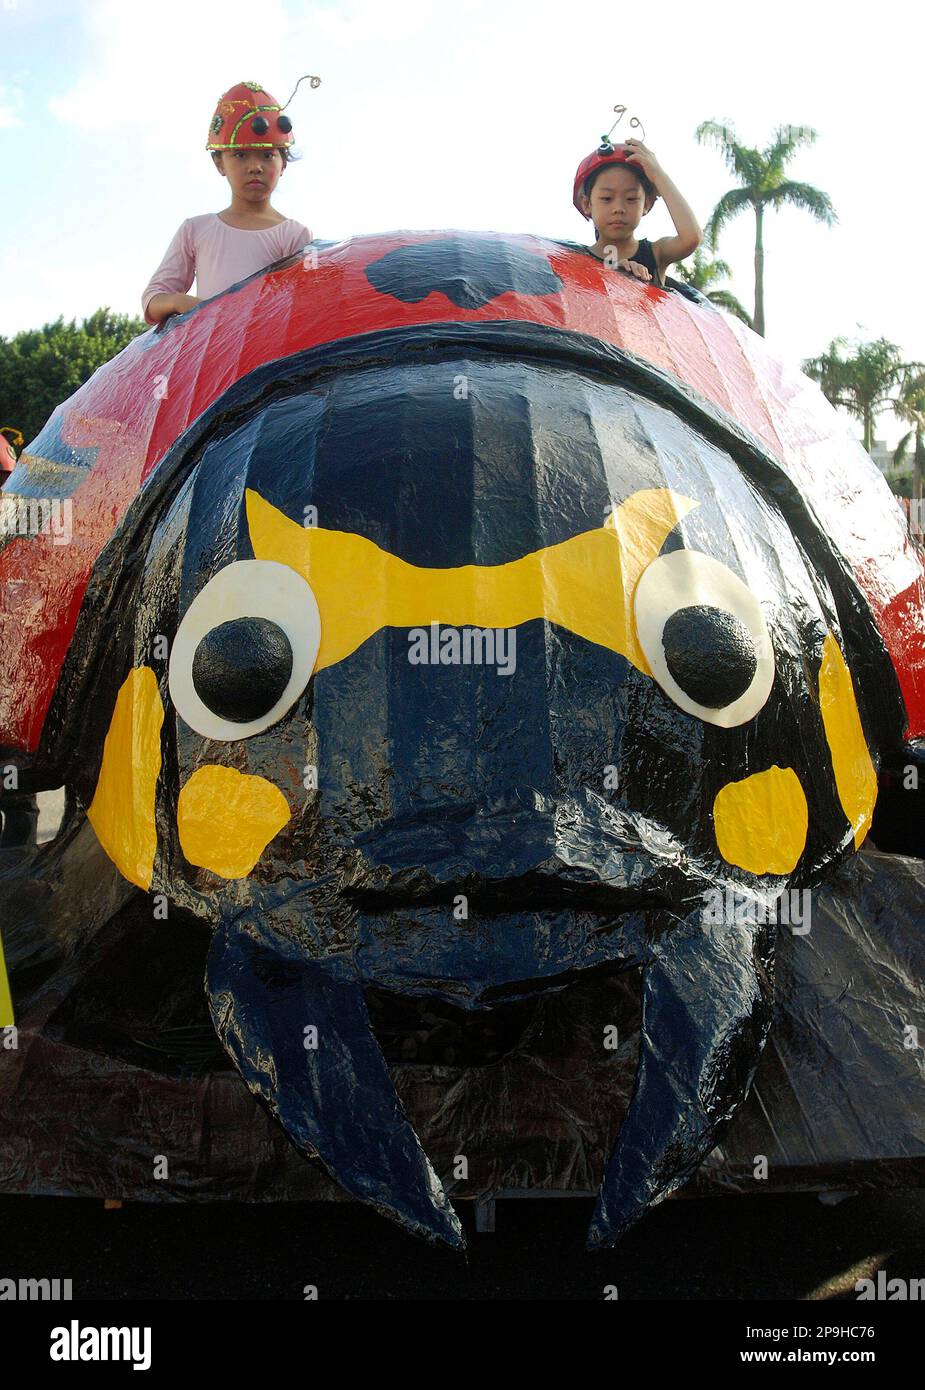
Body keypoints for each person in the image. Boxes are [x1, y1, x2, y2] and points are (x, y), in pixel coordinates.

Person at [142, 80, 315, 327]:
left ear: (283, 164)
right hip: (211, 357)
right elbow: (153, 300)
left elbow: (307, 306)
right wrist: (184, 304)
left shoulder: (297, 235)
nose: (255, 166)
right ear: (219, 163)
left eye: (268, 155)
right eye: (240, 155)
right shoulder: (195, 230)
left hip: (270, 360)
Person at [573, 136, 701, 287]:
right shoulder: (575, 262)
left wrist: (658, 175)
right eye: (607, 198)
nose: (619, 208)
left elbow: (691, 238)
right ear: (587, 203)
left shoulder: (656, 254)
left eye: (631, 198)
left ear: (647, 204)